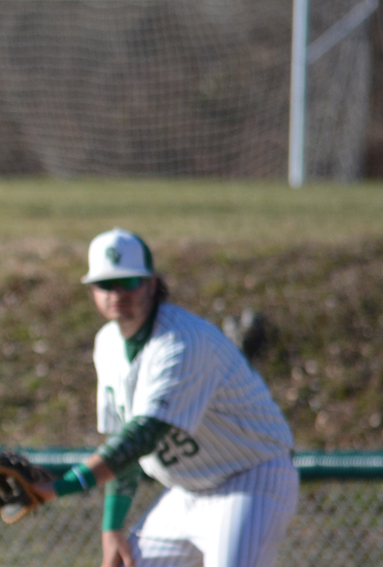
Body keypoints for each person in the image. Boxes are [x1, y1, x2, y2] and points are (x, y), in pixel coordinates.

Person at [29, 229, 297, 567]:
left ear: (152, 284)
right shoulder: (107, 344)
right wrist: (112, 528)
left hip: (249, 478)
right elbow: (121, 442)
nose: (117, 293)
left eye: (128, 282)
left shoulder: (180, 340)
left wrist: (64, 485)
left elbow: (142, 435)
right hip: (187, 491)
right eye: (106, 284)